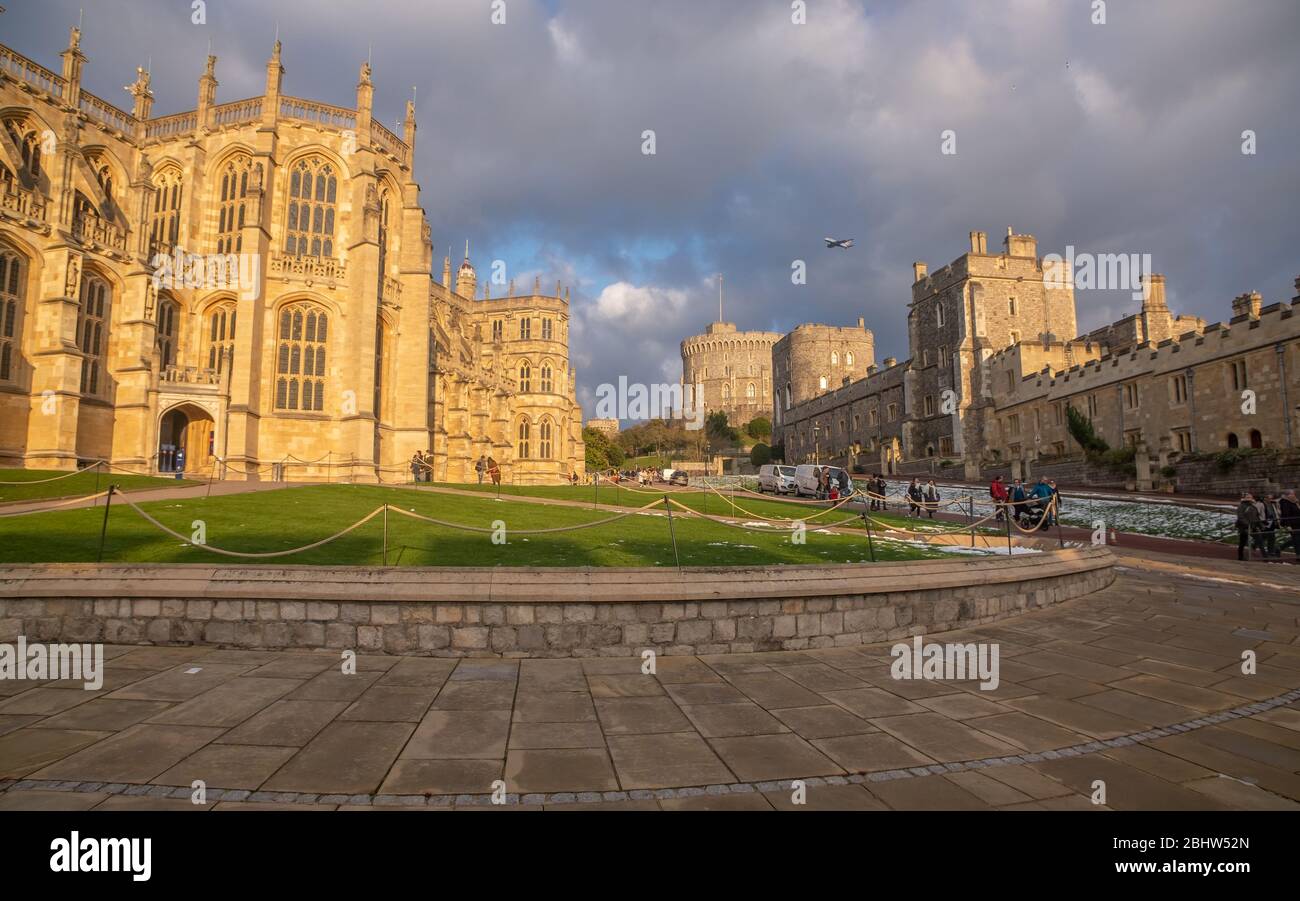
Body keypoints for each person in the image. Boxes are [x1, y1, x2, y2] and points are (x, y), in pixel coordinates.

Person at [1236, 492, 1261, 560]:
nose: (1249, 499)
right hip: (1244, 526)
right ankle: (1240, 556)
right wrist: (1247, 524)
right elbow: (1240, 517)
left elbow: (1256, 516)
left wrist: (1259, 524)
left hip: (1253, 526)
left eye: (1250, 497)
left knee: (1259, 538)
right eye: (1248, 497)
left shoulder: (1253, 506)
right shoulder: (1241, 506)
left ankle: (1256, 548)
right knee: (1242, 542)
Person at [1277, 489, 1300, 561]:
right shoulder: (1285, 502)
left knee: (1296, 540)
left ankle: (1280, 548)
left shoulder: (1294, 502)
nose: (1294, 495)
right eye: (1292, 494)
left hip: (1298, 523)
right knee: (1296, 540)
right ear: (1288, 495)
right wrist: (1288, 525)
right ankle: (1298, 556)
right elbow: (1286, 515)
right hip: (1293, 524)